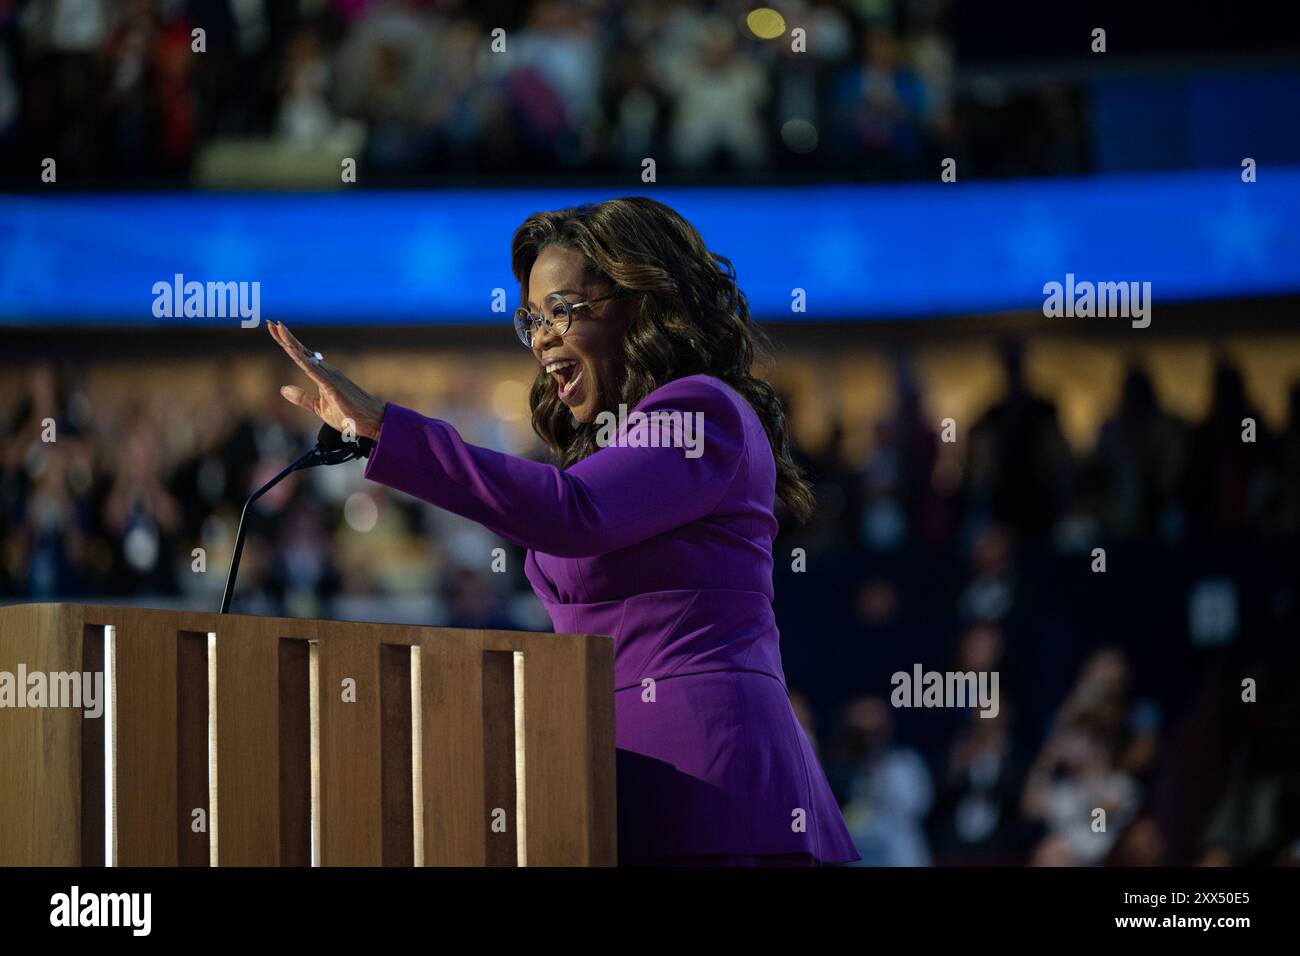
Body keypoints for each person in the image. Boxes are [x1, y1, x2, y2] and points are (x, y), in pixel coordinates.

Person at [267, 196, 860, 866]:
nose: (543, 336)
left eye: (564, 310)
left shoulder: (703, 412)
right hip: (606, 769)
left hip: (708, 768)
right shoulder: (614, 449)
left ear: (638, 305)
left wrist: (387, 430)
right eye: (532, 319)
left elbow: (573, 513)